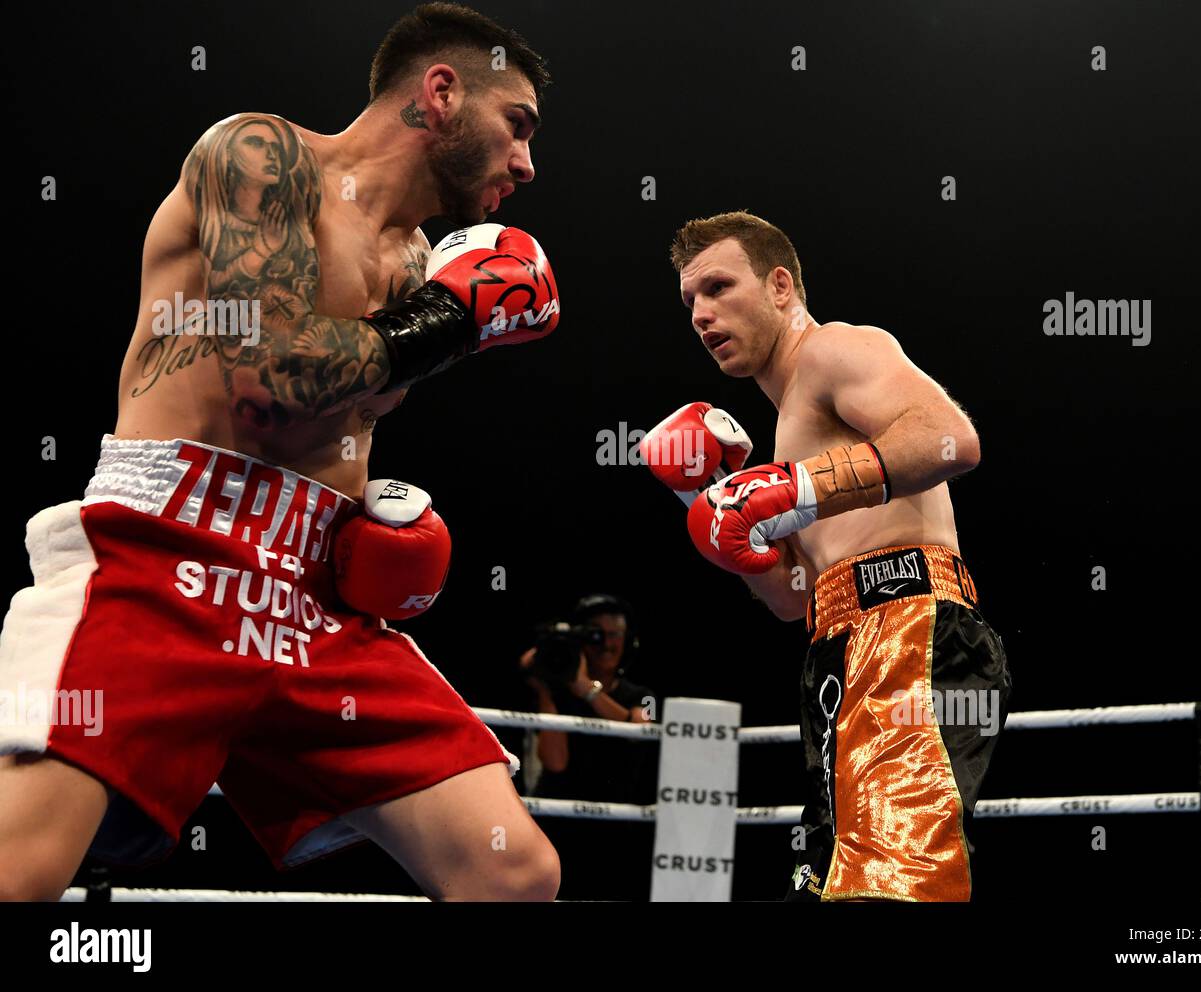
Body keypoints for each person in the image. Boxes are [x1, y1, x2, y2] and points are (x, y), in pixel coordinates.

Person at [0, 3, 562, 902]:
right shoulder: (260, 156)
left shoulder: (420, 262)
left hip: (310, 603)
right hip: (167, 561)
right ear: (443, 93)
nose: (528, 163)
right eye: (518, 125)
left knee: (514, 871)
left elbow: (335, 428)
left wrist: (377, 531)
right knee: (19, 871)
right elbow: (271, 374)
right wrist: (456, 321)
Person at [645, 210, 1012, 902]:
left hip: (908, 630)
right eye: (690, 300)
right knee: (833, 886)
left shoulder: (836, 349)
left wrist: (794, 487)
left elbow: (950, 440)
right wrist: (706, 504)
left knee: (892, 886)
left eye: (720, 287)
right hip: (837, 654)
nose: (701, 313)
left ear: (781, 286)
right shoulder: (789, 431)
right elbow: (792, 600)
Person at [521, 594, 658, 804]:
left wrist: (585, 688)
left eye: (614, 634)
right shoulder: (556, 692)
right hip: (557, 817)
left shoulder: (643, 696)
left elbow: (642, 730)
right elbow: (555, 762)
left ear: (628, 641)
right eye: (596, 634)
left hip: (615, 818)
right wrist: (544, 686)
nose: (606, 643)